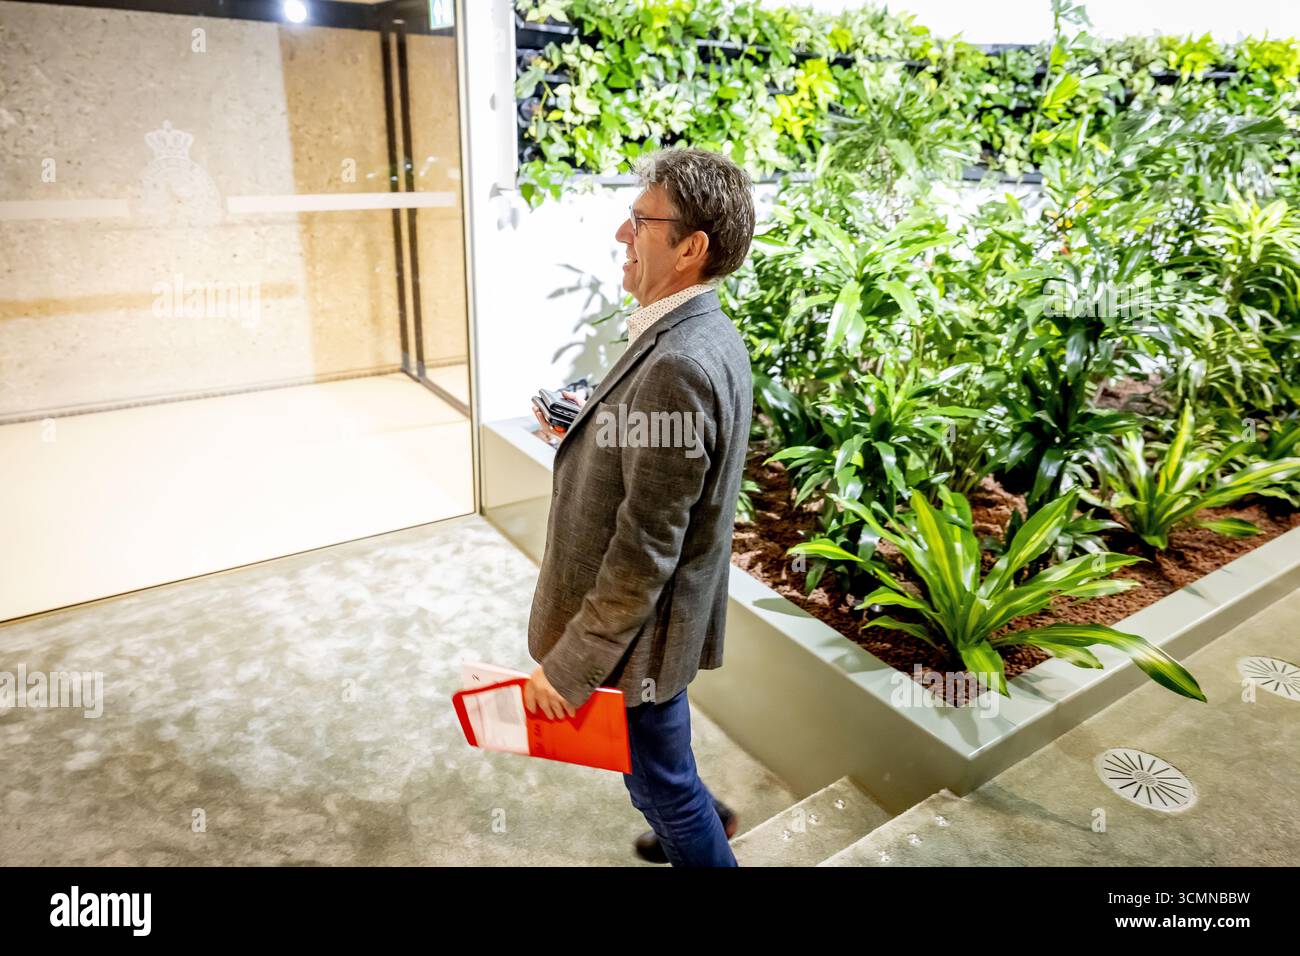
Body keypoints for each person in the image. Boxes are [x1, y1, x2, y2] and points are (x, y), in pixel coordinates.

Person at [525, 147, 756, 867]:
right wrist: (590, 434)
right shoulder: (698, 333)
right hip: (661, 629)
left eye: (639, 222)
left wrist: (569, 668)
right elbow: (664, 472)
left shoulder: (679, 365)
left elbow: (644, 549)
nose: (622, 237)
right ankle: (702, 811)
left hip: (639, 639)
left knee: (657, 779)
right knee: (662, 752)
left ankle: (696, 824)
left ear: (691, 248)